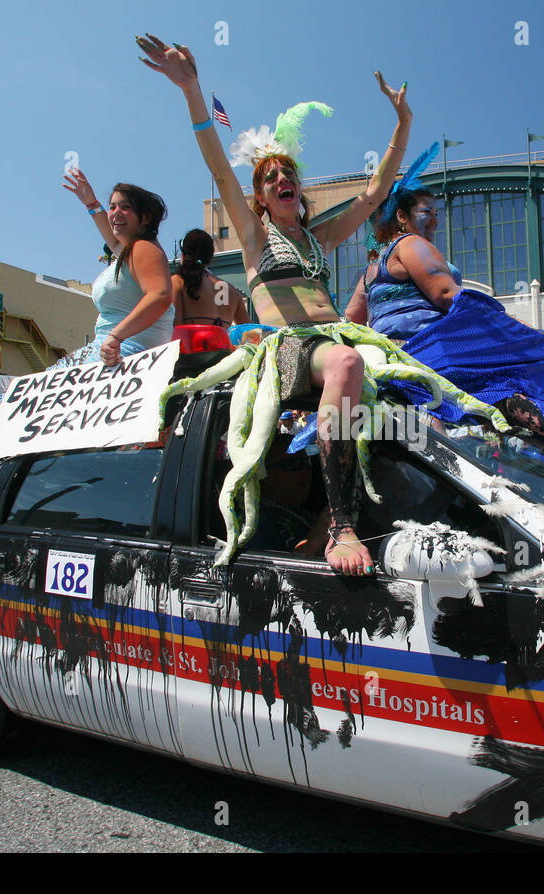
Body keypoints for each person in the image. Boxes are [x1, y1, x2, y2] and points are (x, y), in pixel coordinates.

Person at [139, 33, 411, 575]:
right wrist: (192, 89)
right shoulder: (255, 237)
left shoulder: (319, 237)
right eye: (269, 177)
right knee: (348, 362)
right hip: (290, 351)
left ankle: (342, 521)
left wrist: (403, 124)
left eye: (287, 173)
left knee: (414, 386)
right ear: (259, 197)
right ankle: (338, 525)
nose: (281, 178)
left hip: (338, 342)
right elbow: (219, 167)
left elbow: (376, 193)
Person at [343, 165, 544, 484]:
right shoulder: (409, 244)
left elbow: (350, 321)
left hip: (403, 367)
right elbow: (446, 294)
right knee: (541, 367)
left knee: (506, 408)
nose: (435, 219)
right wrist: (517, 329)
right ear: (402, 217)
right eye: (426, 211)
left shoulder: (370, 272)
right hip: (438, 356)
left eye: (437, 212)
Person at [62, 169, 174, 367]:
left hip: (128, 350)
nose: (115, 213)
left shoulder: (144, 248)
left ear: (146, 217)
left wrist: (116, 336)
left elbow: (160, 296)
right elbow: (114, 242)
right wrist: (92, 204)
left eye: (125, 207)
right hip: (116, 347)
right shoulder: (129, 250)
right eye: (112, 207)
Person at [171, 228, 248, 330]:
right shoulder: (232, 291)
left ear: (183, 255)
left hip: (189, 344)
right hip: (223, 345)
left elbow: (175, 330)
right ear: (211, 257)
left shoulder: (178, 282)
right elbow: (250, 332)